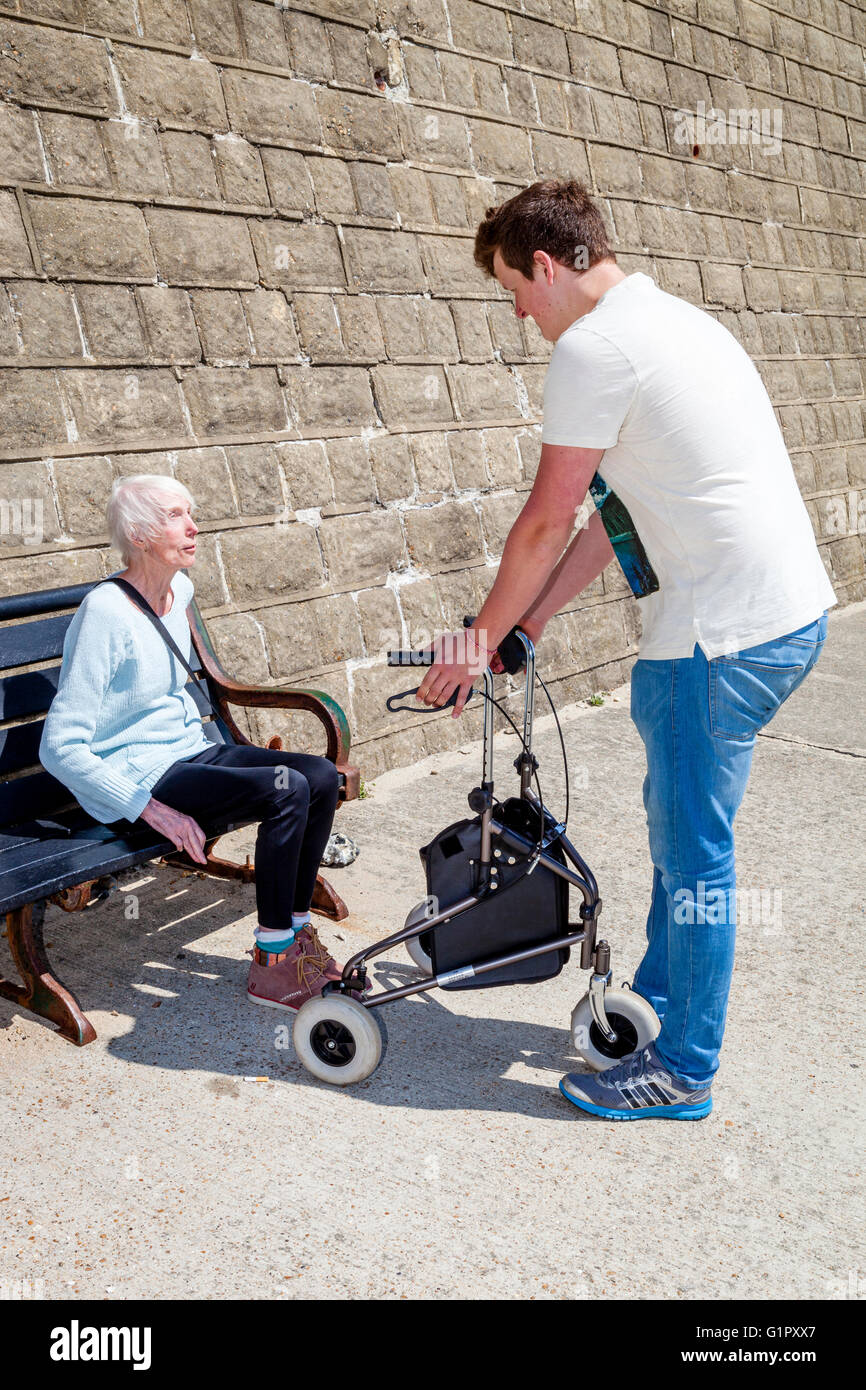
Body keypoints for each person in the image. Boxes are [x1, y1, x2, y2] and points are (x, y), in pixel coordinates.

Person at [415, 179, 836, 1120]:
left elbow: (548, 516)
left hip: (716, 641)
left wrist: (475, 641)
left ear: (549, 265)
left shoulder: (591, 348)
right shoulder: (677, 322)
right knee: (681, 829)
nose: (518, 311)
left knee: (694, 858)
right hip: (782, 620)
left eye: (514, 288)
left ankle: (683, 1069)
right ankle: (655, 997)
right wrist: (529, 624)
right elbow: (614, 517)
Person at [40, 474, 354, 1013]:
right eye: (174, 517)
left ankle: (295, 933)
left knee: (320, 777)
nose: (193, 527)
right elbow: (59, 747)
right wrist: (154, 812)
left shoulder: (178, 589)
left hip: (190, 750)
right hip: (138, 778)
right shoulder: (106, 614)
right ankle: (272, 964)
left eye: (190, 512)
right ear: (139, 536)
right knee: (285, 791)